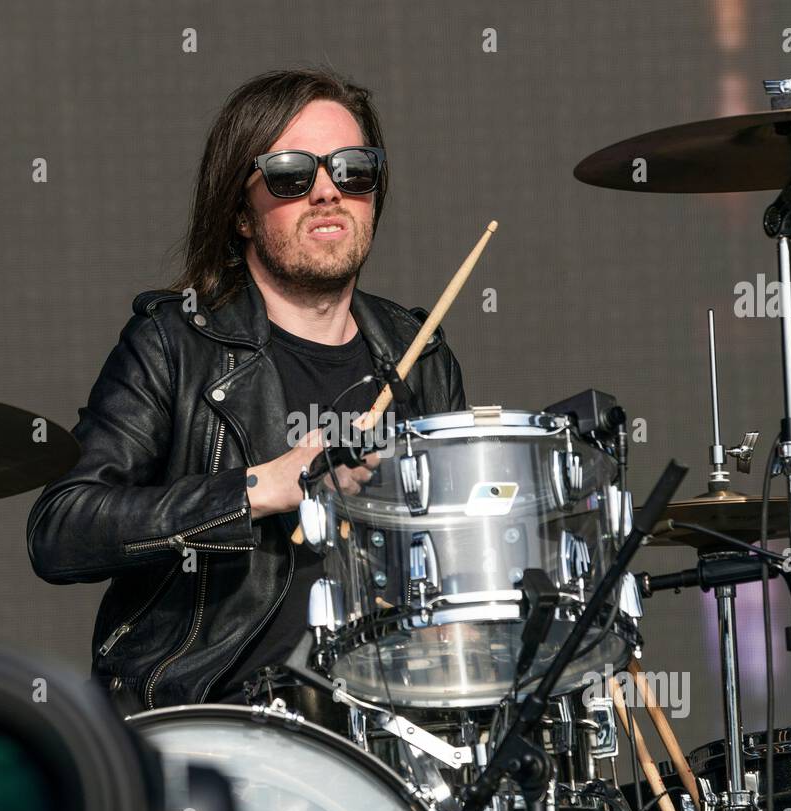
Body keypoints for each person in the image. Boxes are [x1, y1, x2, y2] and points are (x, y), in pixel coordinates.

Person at [27, 68, 467, 713]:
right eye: (292, 174)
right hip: (214, 726)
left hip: (384, 733)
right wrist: (259, 488)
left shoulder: (418, 352)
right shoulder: (174, 342)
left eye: (353, 170)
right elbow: (61, 529)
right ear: (239, 211)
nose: (327, 192)